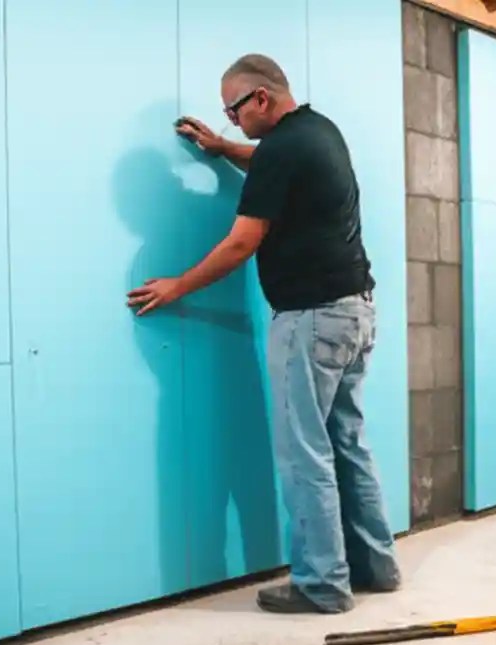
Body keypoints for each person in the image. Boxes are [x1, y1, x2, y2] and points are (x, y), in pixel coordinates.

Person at [125, 53, 400, 614]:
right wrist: (227, 151)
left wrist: (178, 285)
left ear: (261, 99)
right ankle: (377, 566)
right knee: (347, 444)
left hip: (311, 318)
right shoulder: (318, 131)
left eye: (233, 111)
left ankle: (323, 585)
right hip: (355, 312)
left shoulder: (281, 148)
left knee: (306, 455)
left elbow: (241, 242)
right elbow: (272, 164)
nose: (231, 121)